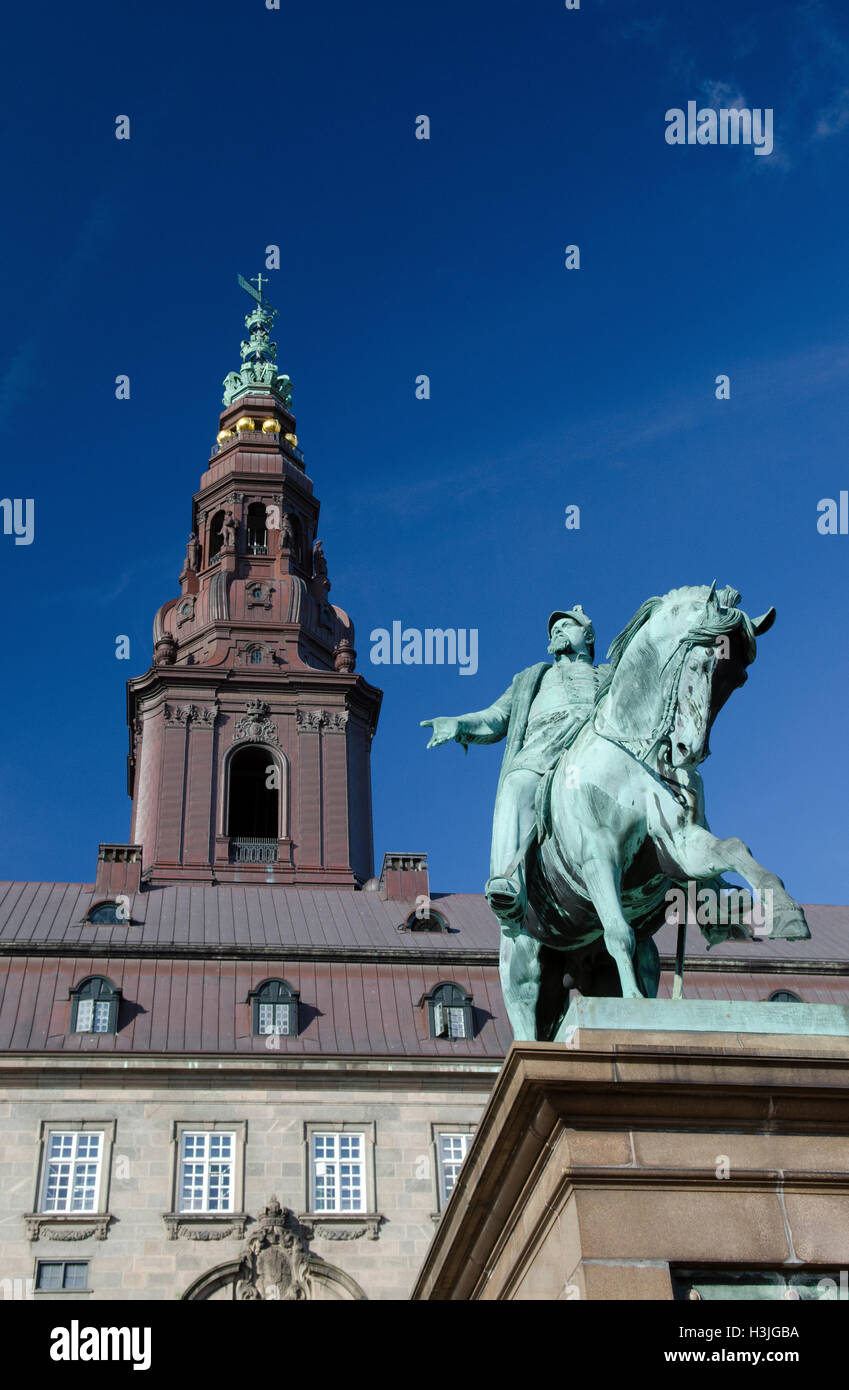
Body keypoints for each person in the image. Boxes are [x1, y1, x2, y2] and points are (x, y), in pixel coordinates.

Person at [422, 607, 607, 928]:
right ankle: (508, 881)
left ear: (588, 636)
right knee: (516, 786)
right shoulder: (532, 679)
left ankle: (696, 877)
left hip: (601, 746)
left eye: (567, 626)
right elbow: (495, 717)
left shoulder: (610, 675)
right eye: (554, 629)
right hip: (545, 750)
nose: (558, 632)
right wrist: (457, 724)